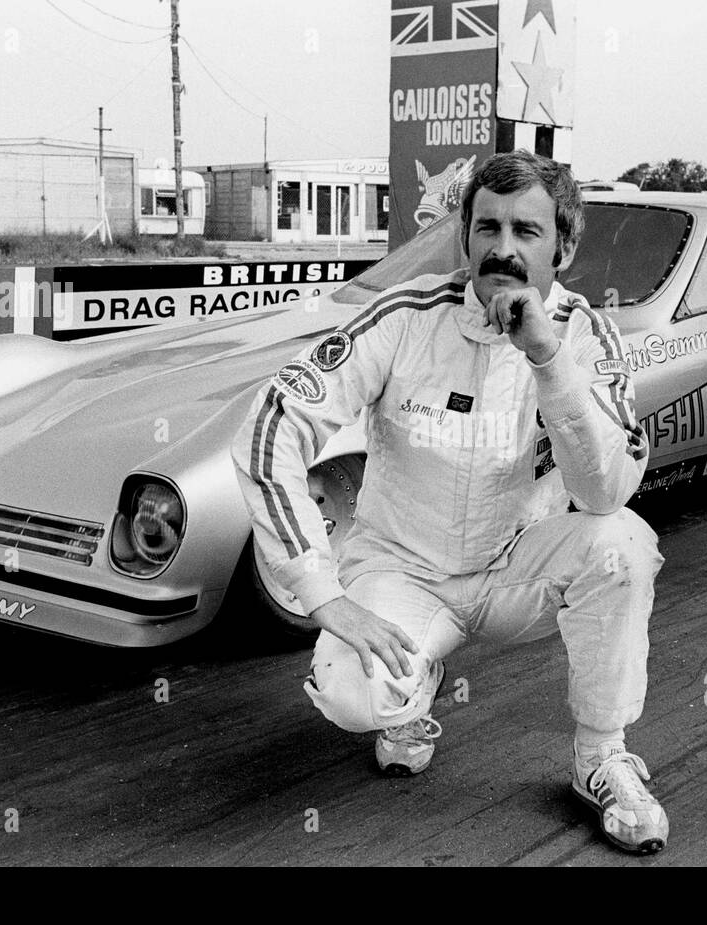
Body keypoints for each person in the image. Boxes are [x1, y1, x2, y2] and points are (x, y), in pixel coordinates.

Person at [232, 150, 668, 854]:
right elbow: (271, 427)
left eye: (527, 231)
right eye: (486, 227)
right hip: (401, 569)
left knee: (624, 543)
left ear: (566, 244)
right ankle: (410, 688)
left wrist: (546, 358)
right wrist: (321, 592)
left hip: (510, 569)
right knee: (353, 694)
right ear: (463, 236)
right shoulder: (403, 318)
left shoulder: (586, 334)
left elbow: (603, 492)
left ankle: (602, 758)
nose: (502, 249)